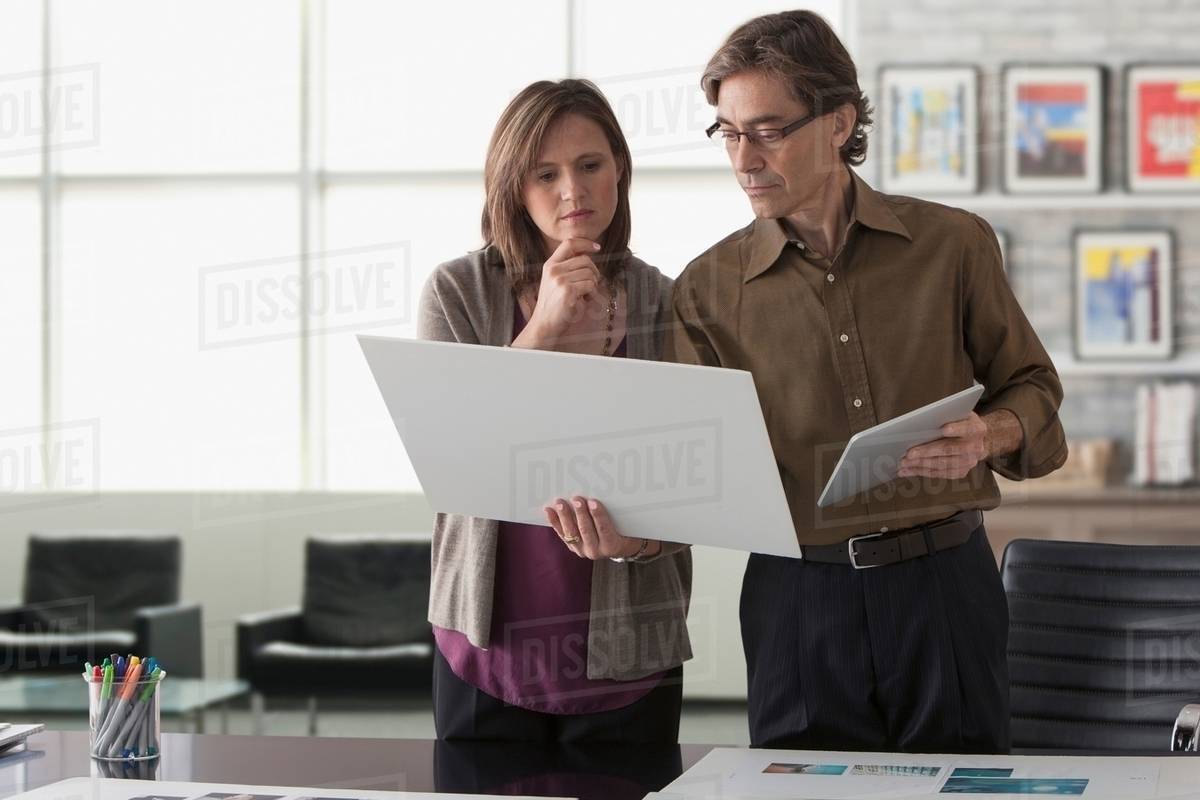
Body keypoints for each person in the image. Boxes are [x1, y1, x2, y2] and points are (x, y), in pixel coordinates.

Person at [665, 11, 1067, 753]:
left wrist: (989, 434)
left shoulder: (953, 245)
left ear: (837, 120)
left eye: (768, 129)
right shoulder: (704, 291)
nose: (744, 158)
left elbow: (1033, 386)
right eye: (728, 133)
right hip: (797, 600)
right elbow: (690, 470)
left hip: (946, 585)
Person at [417, 78, 692, 744]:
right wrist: (542, 324)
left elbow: (698, 479)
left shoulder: (664, 300)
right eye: (546, 173)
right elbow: (449, 455)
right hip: (487, 647)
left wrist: (641, 542)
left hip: (630, 649)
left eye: (590, 165)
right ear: (515, 186)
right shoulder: (456, 291)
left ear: (619, 170)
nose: (574, 190)